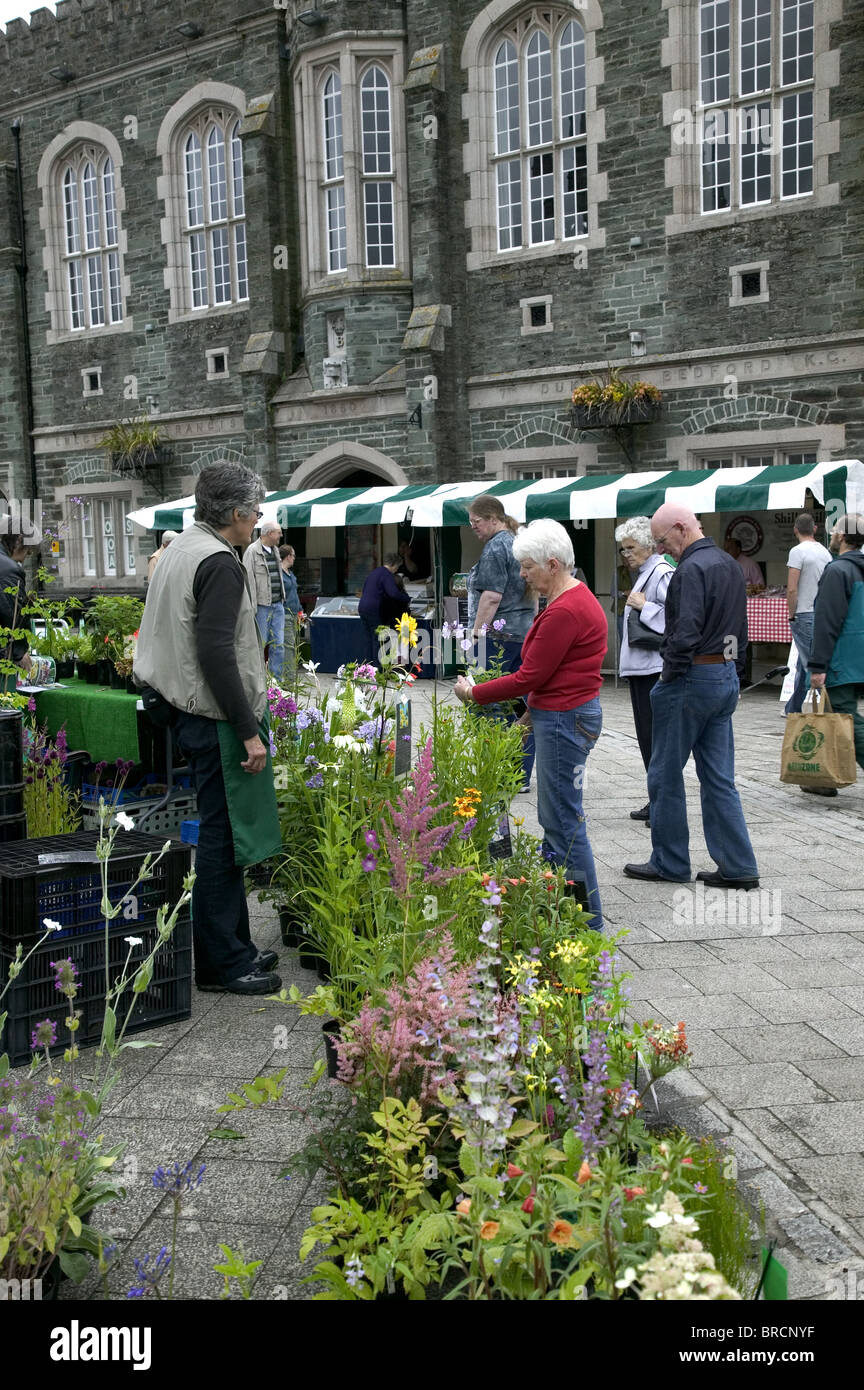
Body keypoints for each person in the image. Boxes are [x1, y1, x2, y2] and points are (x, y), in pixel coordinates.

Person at [134, 462, 282, 996]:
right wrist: (248, 731)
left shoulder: (179, 546)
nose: (258, 520)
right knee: (224, 839)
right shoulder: (219, 561)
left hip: (178, 705)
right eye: (257, 512)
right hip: (213, 716)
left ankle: (234, 948)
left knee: (222, 834)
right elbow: (216, 653)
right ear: (239, 514)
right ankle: (222, 964)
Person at [454, 519, 607, 928]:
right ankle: (557, 904)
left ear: (552, 564)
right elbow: (551, 676)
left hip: (565, 720)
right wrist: (528, 714)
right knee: (559, 818)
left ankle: (585, 920)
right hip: (564, 713)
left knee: (562, 821)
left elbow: (529, 677)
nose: (521, 574)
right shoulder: (572, 600)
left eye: (527, 567)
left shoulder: (566, 609)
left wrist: (473, 693)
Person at [624, 503, 759, 890]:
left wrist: (669, 674)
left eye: (665, 541)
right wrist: (733, 667)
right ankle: (738, 865)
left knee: (665, 773)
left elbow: (684, 631)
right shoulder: (729, 565)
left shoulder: (691, 569)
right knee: (719, 778)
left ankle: (669, 861)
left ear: (682, 528)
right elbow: (739, 628)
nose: (665, 550)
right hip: (723, 673)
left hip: (691, 676)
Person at [467, 494, 536, 790]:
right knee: (522, 704)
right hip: (523, 633)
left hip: (497, 636)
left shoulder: (496, 547)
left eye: (476, 522)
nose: (474, 528)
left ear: (493, 518)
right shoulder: (518, 542)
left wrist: (476, 632)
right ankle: (519, 773)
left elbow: (492, 596)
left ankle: (498, 769)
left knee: (490, 701)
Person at [614, 516, 675, 825]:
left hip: (653, 667)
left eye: (631, 547)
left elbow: (673, 620)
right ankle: (657, 800)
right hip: (642, 667)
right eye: (623, 549)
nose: (626, 554)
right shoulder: (645, 572)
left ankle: (662, 804)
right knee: (647, 739)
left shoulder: (661, 573)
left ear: (650, 546)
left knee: (655, 739)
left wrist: (643, 606)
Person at [806, 512, 864, 795]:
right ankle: (822, 779)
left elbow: (827, 621)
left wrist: (817, 665)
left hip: (842, 659)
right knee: (829, 714)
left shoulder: (838, 570)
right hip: (859, 658)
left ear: (841, 537)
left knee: (844, 717)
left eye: (835, 531)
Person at [784, 513, 832, 715]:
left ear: (795, 530)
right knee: (802, 664)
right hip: (820, 612)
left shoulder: (797, 551)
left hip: (803, 613)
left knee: (809, 665)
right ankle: (792, 708)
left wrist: (791, 614)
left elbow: (792, 588)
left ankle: (831, 708)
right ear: (815, 529)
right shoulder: (825, 552)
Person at [243, 520, 285, 682]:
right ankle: (259, 682)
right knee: (260, 645)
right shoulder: (252, 551)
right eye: (278, 532)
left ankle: (276, 683)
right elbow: (248, 581)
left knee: (279, 645)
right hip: (261, 606)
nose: (280, 536)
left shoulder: (275, 550)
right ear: (269, 533)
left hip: (278, 605)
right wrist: (251, 606)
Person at [0, 512, 38, 683]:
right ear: (19, 540)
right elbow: (12, 612)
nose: (26, 556)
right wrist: (19, 651)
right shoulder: (9, 569)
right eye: (28, 550)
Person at [358, 553, 404, 666]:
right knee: (377, 641)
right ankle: (377, 670)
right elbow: (393, 593)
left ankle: (367, 668)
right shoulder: (386, 574)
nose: (396, 570)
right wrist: (406, 598)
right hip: (373, 610)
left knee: (368, 640)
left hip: (362, 607)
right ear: (394, 565)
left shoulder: (374, 572)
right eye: (397, 567)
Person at [279, 544, 304, 682]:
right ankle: (289, 680)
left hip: (295, 613)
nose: (294, 558)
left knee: (293, 645)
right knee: (288, 647)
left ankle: (289, 676)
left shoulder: (290, 573)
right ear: (288, 556)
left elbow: (294, 593)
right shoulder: (280, 573)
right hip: (285, 613)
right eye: (293, 555)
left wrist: (300, 610)